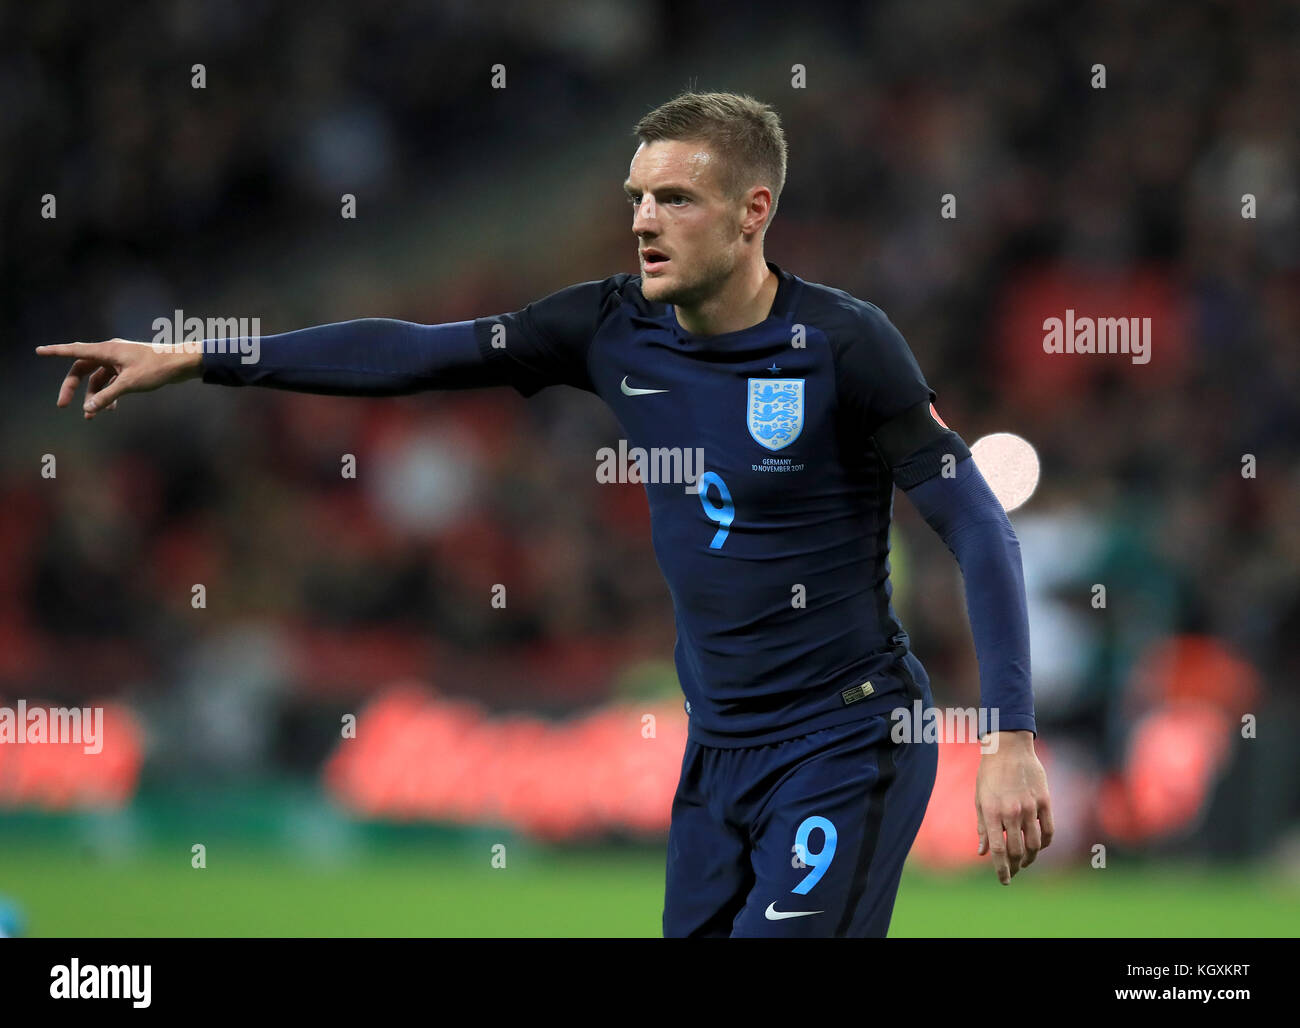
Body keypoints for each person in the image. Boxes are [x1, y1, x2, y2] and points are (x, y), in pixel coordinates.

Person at [36, 90, 1052, 937]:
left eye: (676, 199)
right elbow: (413, 353)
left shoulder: (844, 345)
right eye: (636, 198)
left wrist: (1008, 736)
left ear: (753, 211)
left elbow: (976, 524)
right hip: (717, 754)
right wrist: (201, 356)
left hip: (845, 741)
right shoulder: (609, 326)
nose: (644, 220)